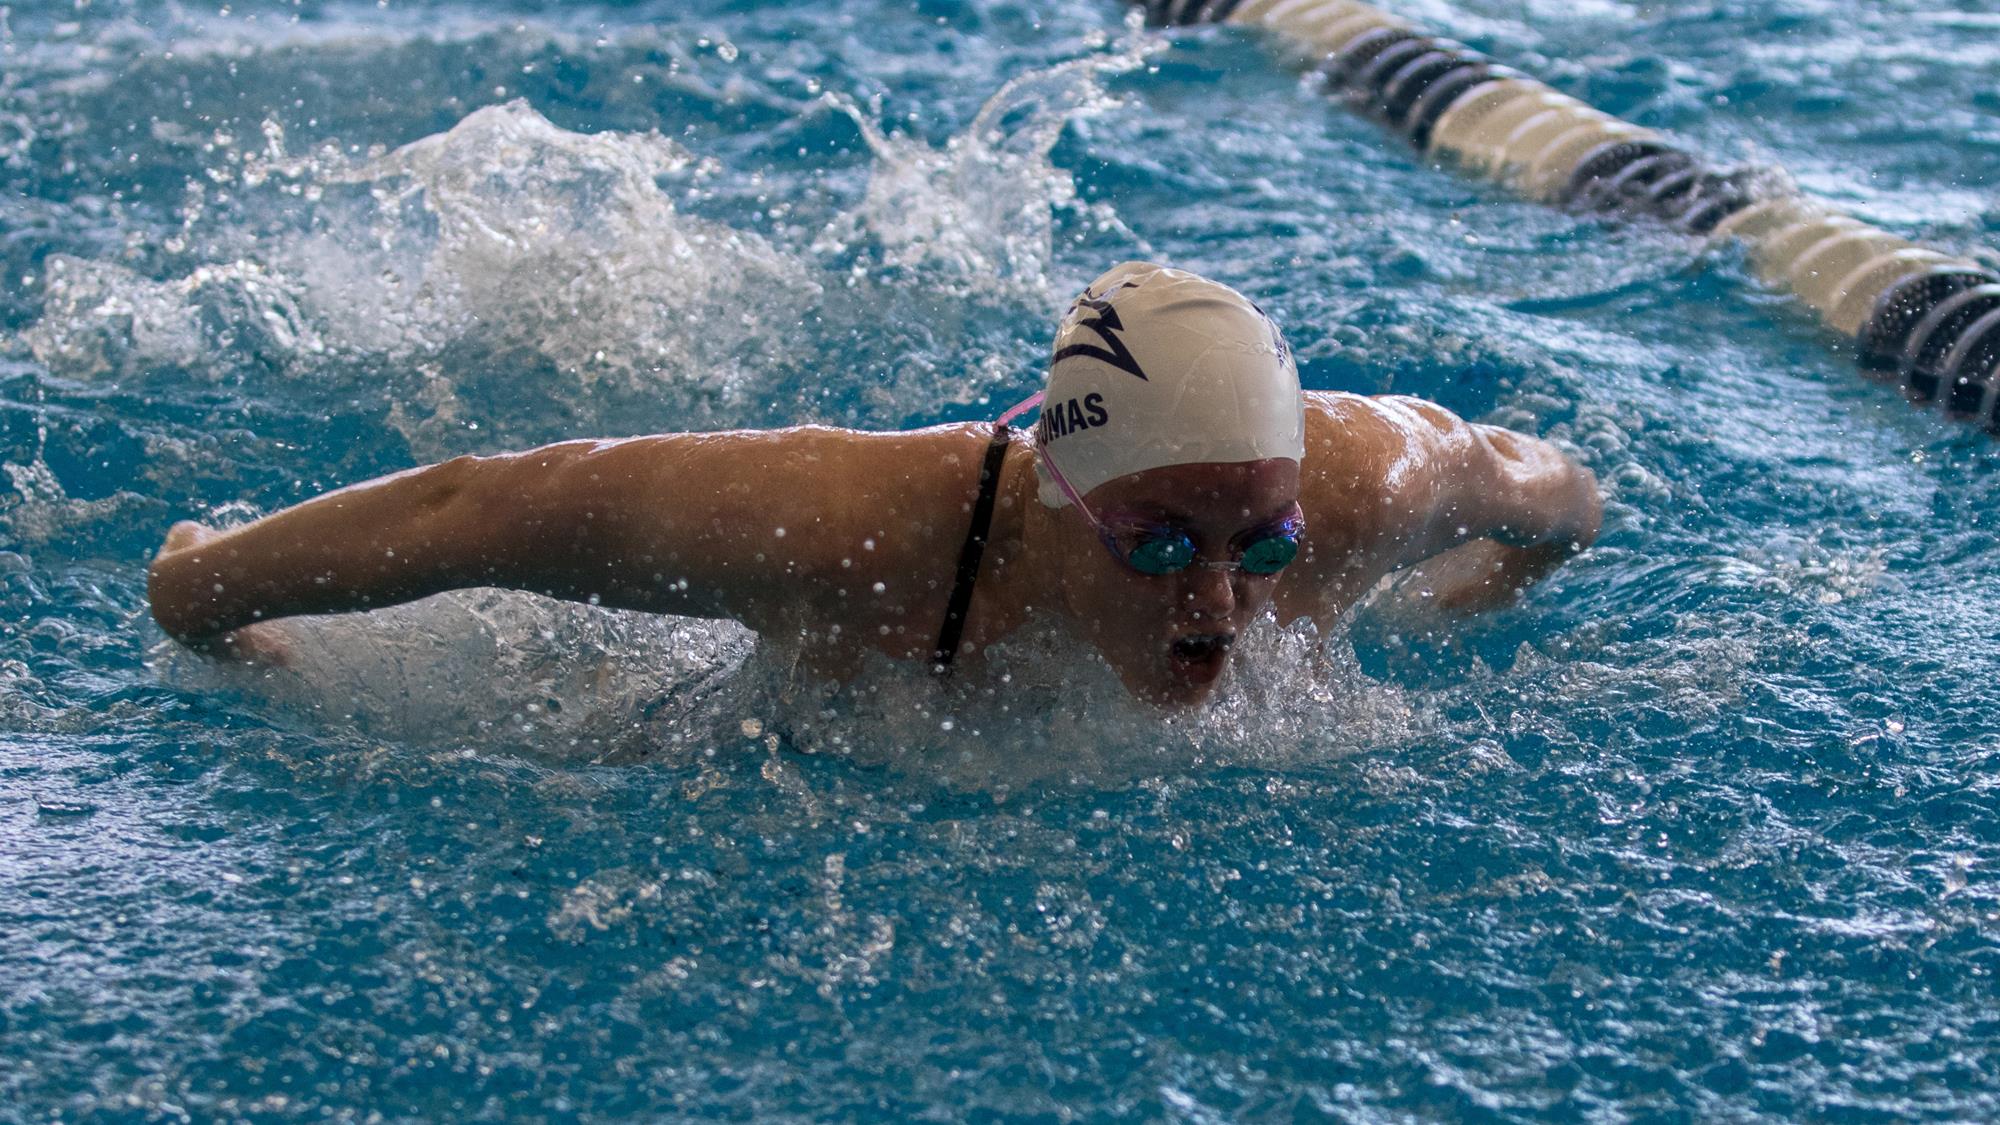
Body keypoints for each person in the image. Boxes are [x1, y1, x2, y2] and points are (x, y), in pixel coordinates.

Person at [149, 262, 1601, 707]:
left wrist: (1463, 603)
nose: (1222, 601)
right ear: (1058, 490)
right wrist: (201, 589)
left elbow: (1553, 493)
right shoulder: (847, 528)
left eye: (1255, 540)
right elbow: (484, 510)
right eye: (1161, 546)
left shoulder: (1361, 492)